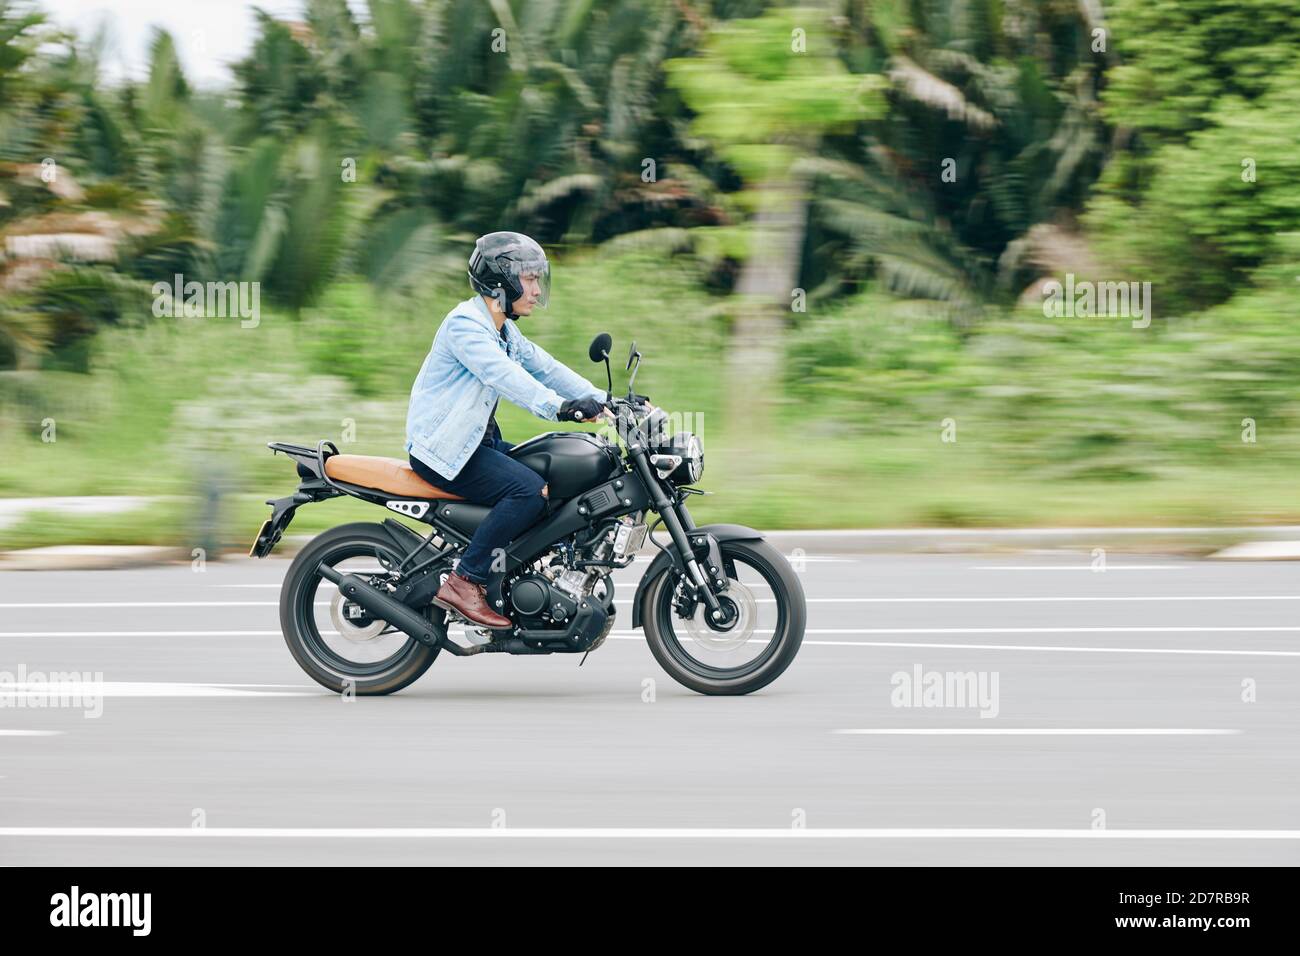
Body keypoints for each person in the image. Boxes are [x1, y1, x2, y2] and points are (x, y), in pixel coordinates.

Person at [405, 231, 609, 629]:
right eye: (529, 279)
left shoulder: (502, 329)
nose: (535, 290)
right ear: (502, 283)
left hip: (476, 443)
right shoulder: (465, 325)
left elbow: (545, 366)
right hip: (444, 450)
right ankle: (465, 581)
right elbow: (503, 376)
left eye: (537, 280)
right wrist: (561, 407)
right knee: (528, 491)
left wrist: (608, 399)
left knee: (558, 474)